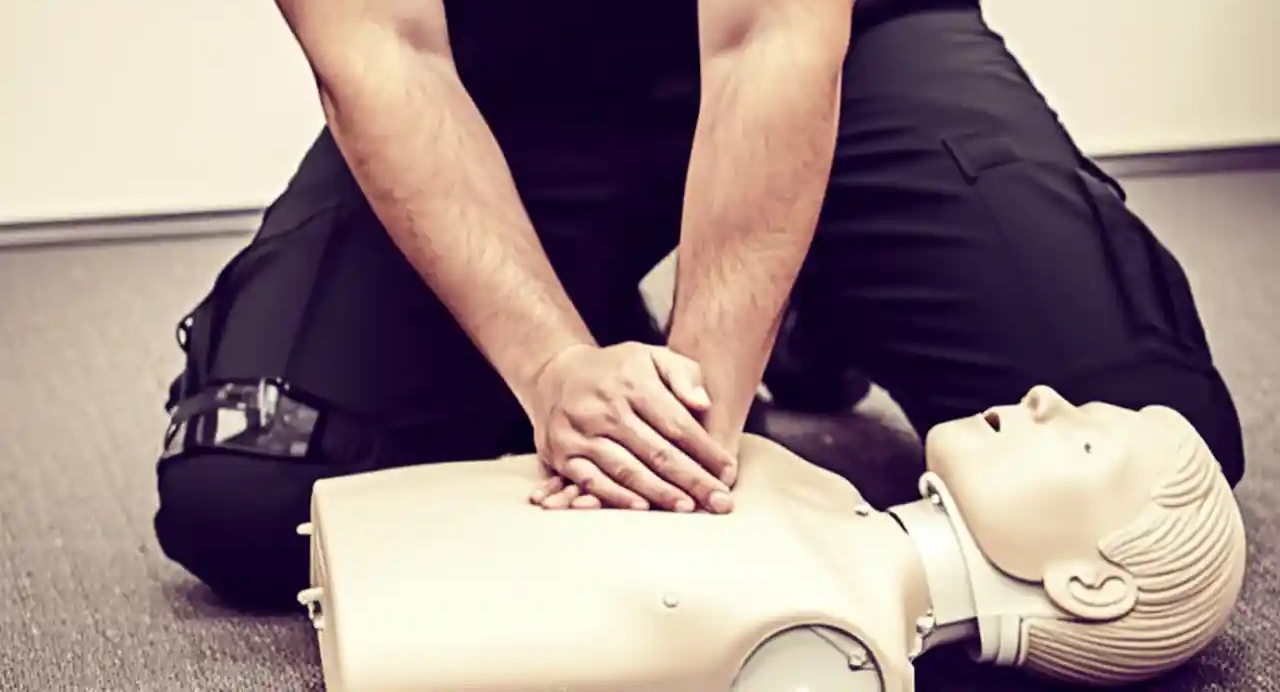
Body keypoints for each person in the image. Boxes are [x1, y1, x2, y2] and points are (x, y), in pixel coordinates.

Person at [153, 0, 1246, 609]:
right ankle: (588, 311)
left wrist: (692, 420)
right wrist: (551, 368)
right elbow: (381, 47)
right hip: (490, 82)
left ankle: (816, 294)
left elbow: (768, 33)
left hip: (843, 44)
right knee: (249, 505)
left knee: (1145, 453)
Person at [295, 386, 1247, 691]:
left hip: (397, 625)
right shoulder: (820, 494)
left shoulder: (841, 644)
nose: (1043, 395)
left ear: (1085, 583)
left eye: (1082, 434)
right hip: (386, 550)